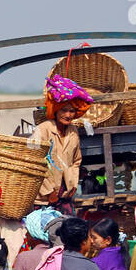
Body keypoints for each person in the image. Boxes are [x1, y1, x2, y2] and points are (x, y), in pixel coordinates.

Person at [29, 75, 94, 210]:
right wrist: (48, 192)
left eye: (72, 111)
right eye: (64, 110)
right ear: (56, 110)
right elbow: (35, 162)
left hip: (65, 195)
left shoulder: (73, 131)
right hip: (44, 199)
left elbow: (76, 161)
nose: (68, 115)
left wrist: (73, 184)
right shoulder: (43, 129)